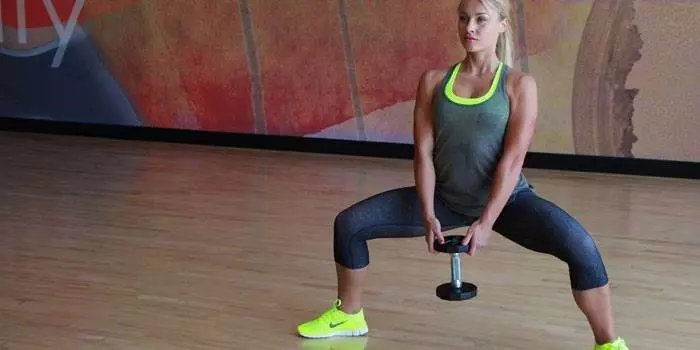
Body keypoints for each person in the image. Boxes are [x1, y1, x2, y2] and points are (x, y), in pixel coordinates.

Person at [296, 0, 630, 349]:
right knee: (349, 225)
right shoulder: (434, 81)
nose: (469, 27)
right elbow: (423, 152)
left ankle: (608, 342)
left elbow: (512, 160)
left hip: (508, 202)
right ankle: (349, 315)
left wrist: (486, 222)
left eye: (481, 20)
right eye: (463, 19)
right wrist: (427, 213)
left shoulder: (518, 85)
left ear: (502, 25)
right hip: (446, 199)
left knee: (581, 246)